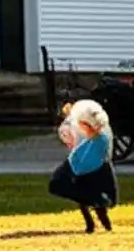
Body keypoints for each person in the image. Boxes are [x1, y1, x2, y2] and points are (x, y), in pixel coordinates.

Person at [48, 99, 118, 233]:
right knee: (87, 196)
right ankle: (99, 223)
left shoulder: (95, 137)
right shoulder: (90, 135)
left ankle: (98, 223)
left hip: (88, 168)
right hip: (86, 166)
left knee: (88, 197)